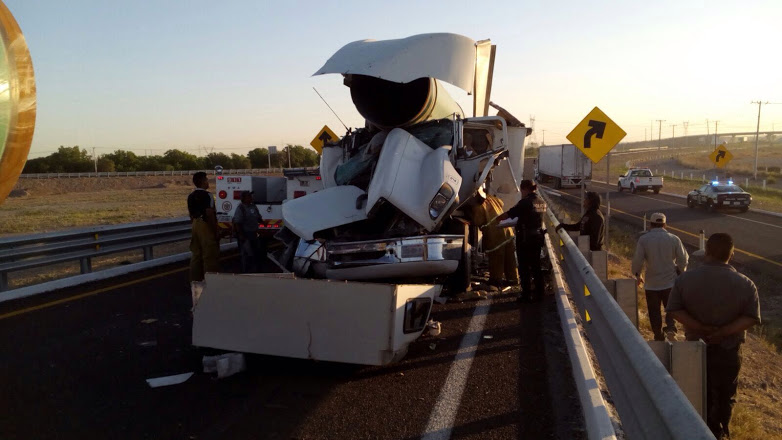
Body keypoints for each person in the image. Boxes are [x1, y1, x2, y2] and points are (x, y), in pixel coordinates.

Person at [666, 233, 760, 439]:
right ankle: (720, 431)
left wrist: (700, 328)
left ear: (707, 251)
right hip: (728, 349)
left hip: (694, 348)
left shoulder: (685, 280)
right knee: (725, 395)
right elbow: (751, 318)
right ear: (731, 254)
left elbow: (674, 310)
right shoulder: (746, 284)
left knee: (698, 393)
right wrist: (723, 332)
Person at [631, 212, 688, 341]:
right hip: (670, 282)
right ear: (665, 224)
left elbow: (637, 260)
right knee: (671, 307)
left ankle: (658, 334)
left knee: (654, 310)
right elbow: (683, 259)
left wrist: (637, 274)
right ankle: (670, 328)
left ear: (651, 224)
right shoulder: (674, 239)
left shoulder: (644, 240)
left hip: (652, 283)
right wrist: (680, 271)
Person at [496, 180, 547, 302]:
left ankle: (526, 294)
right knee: (536, 266)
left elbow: (509, 214)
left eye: (521, 190)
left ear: (524, 189)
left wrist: (495, 219)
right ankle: (540, 293)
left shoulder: (525, 202)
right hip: (538, 237)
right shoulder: (541, 202)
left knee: (524, 267)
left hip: (525, 239)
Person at [471, 194, 519, 287]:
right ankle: (513, 279)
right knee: (510, 258)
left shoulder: (477, 206)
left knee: (496, 258)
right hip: (507, 231)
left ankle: (496, 280)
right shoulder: (491, 198)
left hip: (495, 233)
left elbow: (476, 221)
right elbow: (501, 203)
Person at [187, 172, 220, 283]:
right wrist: (215, 231)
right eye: (206, 179)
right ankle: (211, 281)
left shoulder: (190, 196)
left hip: (195, 224)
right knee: (209, 254)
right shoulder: (208, 195)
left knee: (196, 254)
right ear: (202, 181)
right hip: (205, 224)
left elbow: (191, 215)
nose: (208, 182)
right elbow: (209, 213)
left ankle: (195, 281)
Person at [232, 190, 264, 273]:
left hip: (254, 234)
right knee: (246, 255)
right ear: (244, 198)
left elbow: (258, 218)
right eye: (249, 196)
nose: (251, 198)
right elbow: (237, 223)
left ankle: (256, 270)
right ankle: (246, 271)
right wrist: (241, 235)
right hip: (245, 235)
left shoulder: (253, 206)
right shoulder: (241, 208)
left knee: (256, 253)